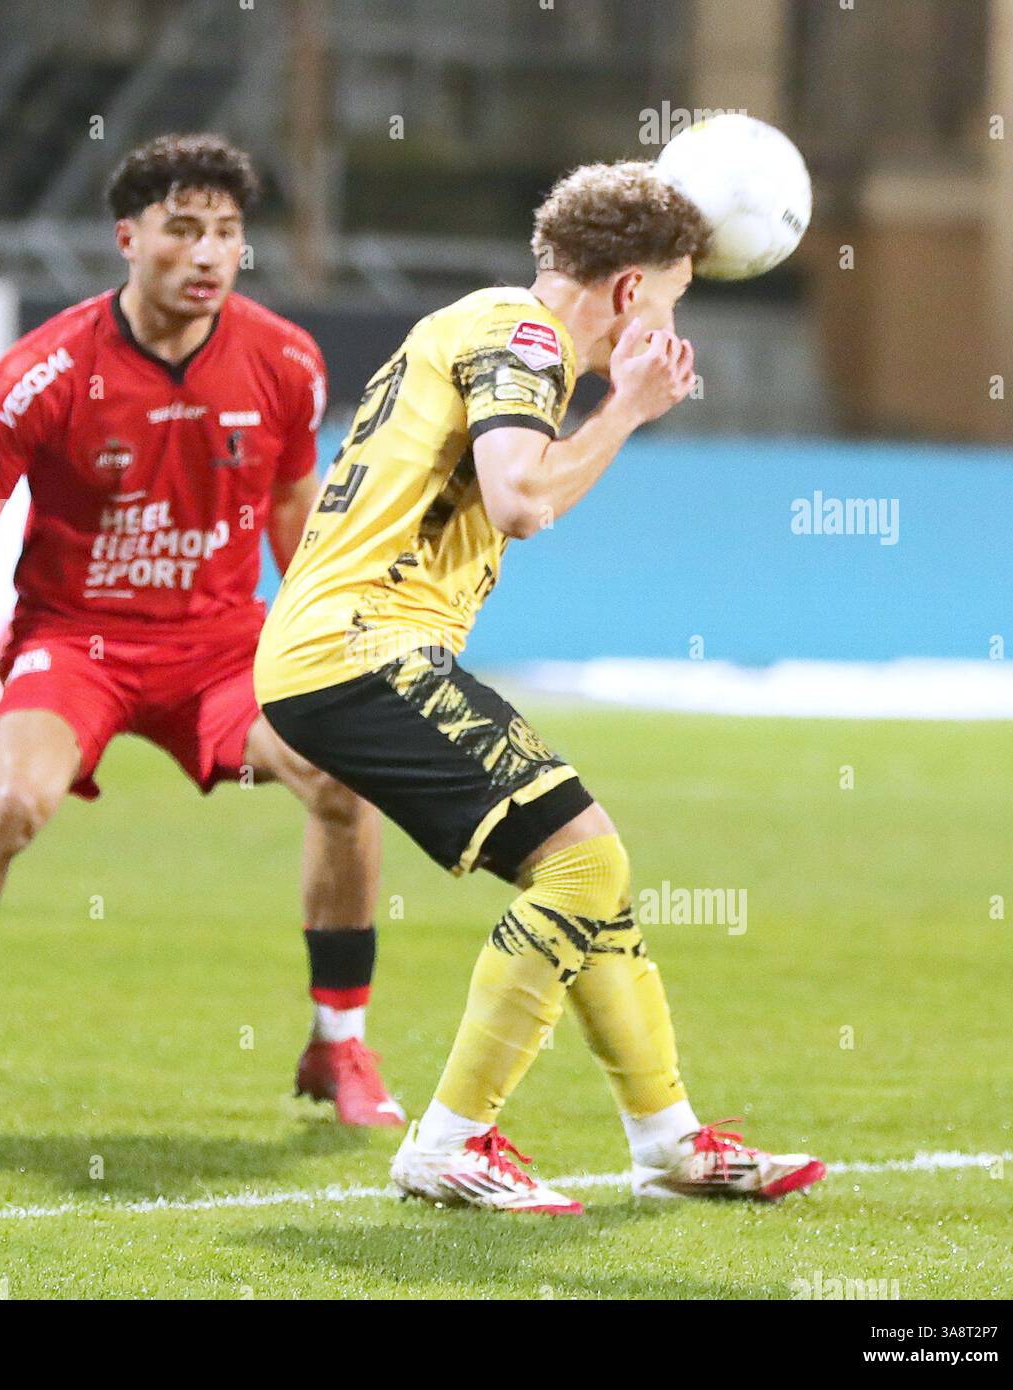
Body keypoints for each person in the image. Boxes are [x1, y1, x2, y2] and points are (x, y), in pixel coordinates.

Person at [254, 161, 826, 1211]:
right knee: (580, 861)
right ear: (624, 292)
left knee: (588, 870)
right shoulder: (525, 339)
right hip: (360, 647)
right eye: (668, 296)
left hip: (341, 647)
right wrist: (627, 411)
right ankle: (447, 1140)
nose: (663, 319)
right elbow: (520, 498)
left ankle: (668, 1137)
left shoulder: (490, 325)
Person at [0, 133, 403, 1129]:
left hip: (223, 646)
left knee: (344, 780)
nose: (210, 254)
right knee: (9, 804)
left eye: (226, 232)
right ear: (127, 237)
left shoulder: (285, 361)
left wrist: (333, 639)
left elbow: (295, 508)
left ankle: (338, 1046)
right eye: (184, 230)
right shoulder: (44, 372)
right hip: (78, 643)